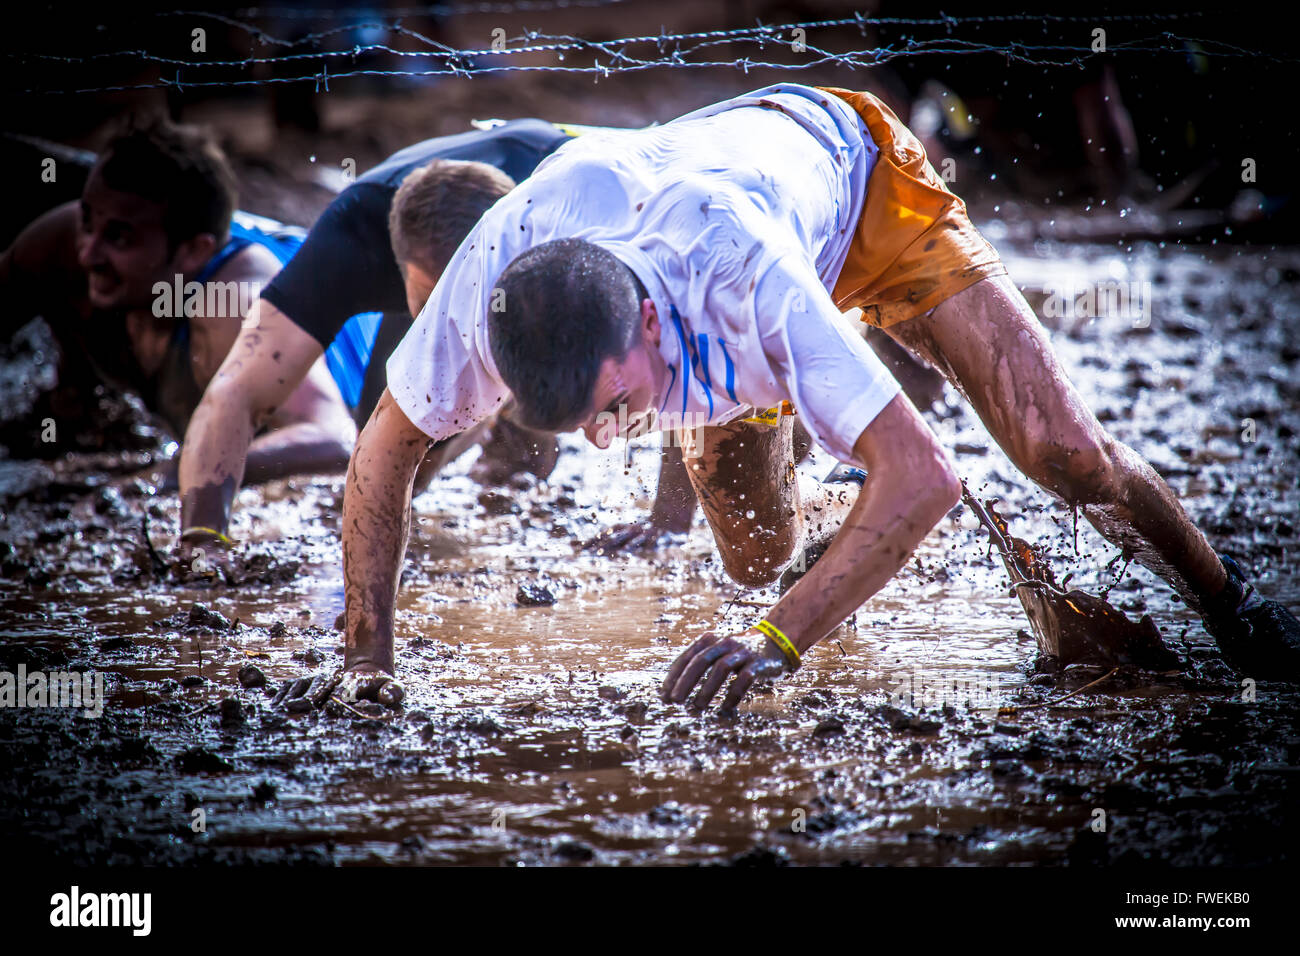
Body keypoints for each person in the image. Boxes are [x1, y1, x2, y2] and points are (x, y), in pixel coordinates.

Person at [307, 82, 1300, 712]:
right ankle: (825, 481)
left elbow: (925, 478)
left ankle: (1228, 598)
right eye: (587, 429)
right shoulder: (485, 289)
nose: (610, 441)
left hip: (856, 183)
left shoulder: (750, 285)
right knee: (756, 555)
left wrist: (777, 638)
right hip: (720, 220)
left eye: (618, 407)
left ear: (650, 325)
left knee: (1063, 454)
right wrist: (367, 672)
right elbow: (380, 460)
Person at [177, 119, 699, 561]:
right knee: (383, 453)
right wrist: (203, 544)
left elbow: (682, 340)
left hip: (568, 187)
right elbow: (237, 392)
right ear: (403, 266)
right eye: (442, 304)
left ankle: (518, 465)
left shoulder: (580, 223)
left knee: (538, 428)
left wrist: (669, 521)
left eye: (480, 308)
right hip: (430, 215)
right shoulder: (351, 243)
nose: (467, 333)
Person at [0, 115, 354, 478]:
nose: (88, 253)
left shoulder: (236, 309)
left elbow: (337, 441)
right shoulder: (57, 248)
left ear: (193, 252)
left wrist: (180, 473)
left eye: (120, 237)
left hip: (357, 336)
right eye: (88, 222)